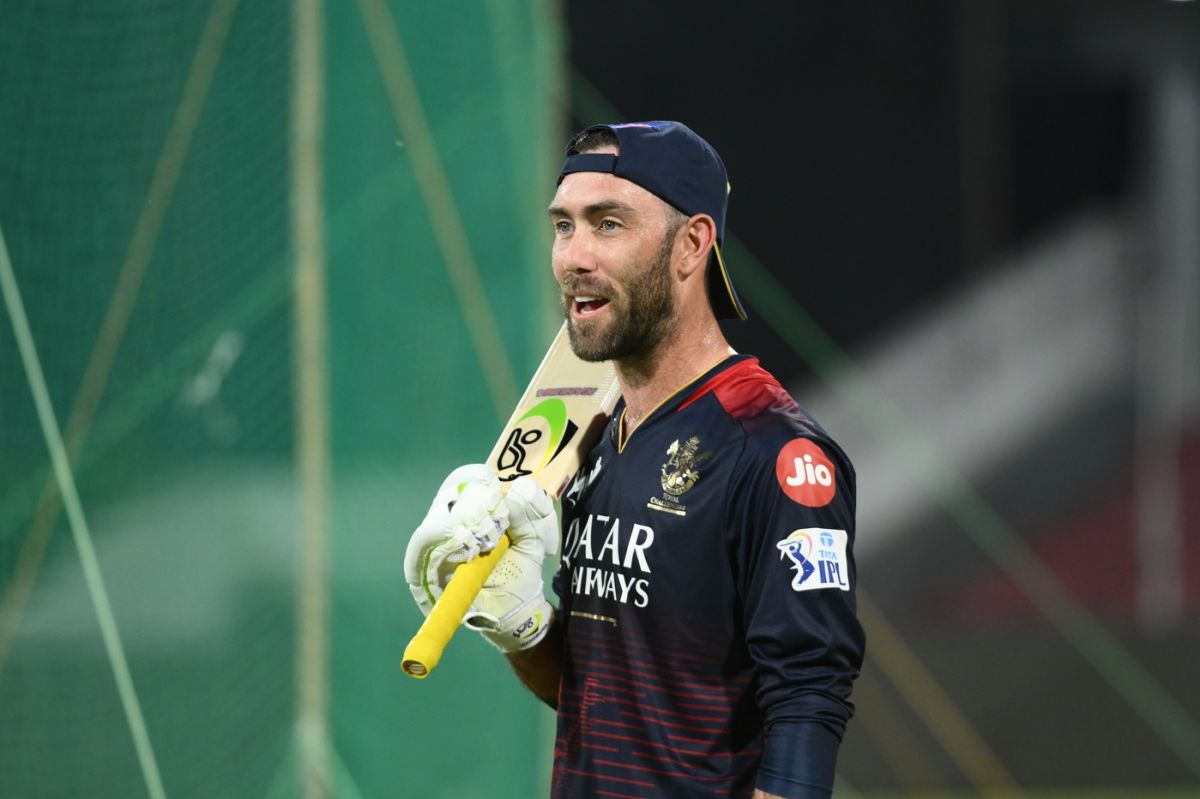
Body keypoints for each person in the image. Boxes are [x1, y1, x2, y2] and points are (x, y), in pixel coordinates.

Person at [405, 121, 865, 799]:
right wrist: (519, 619)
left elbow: (807, 702)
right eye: (563, 225)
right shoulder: (590, 436)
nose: (574, 256)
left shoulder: (775, 451)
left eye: (608, 223)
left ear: (692, 244)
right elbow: (603, 701)